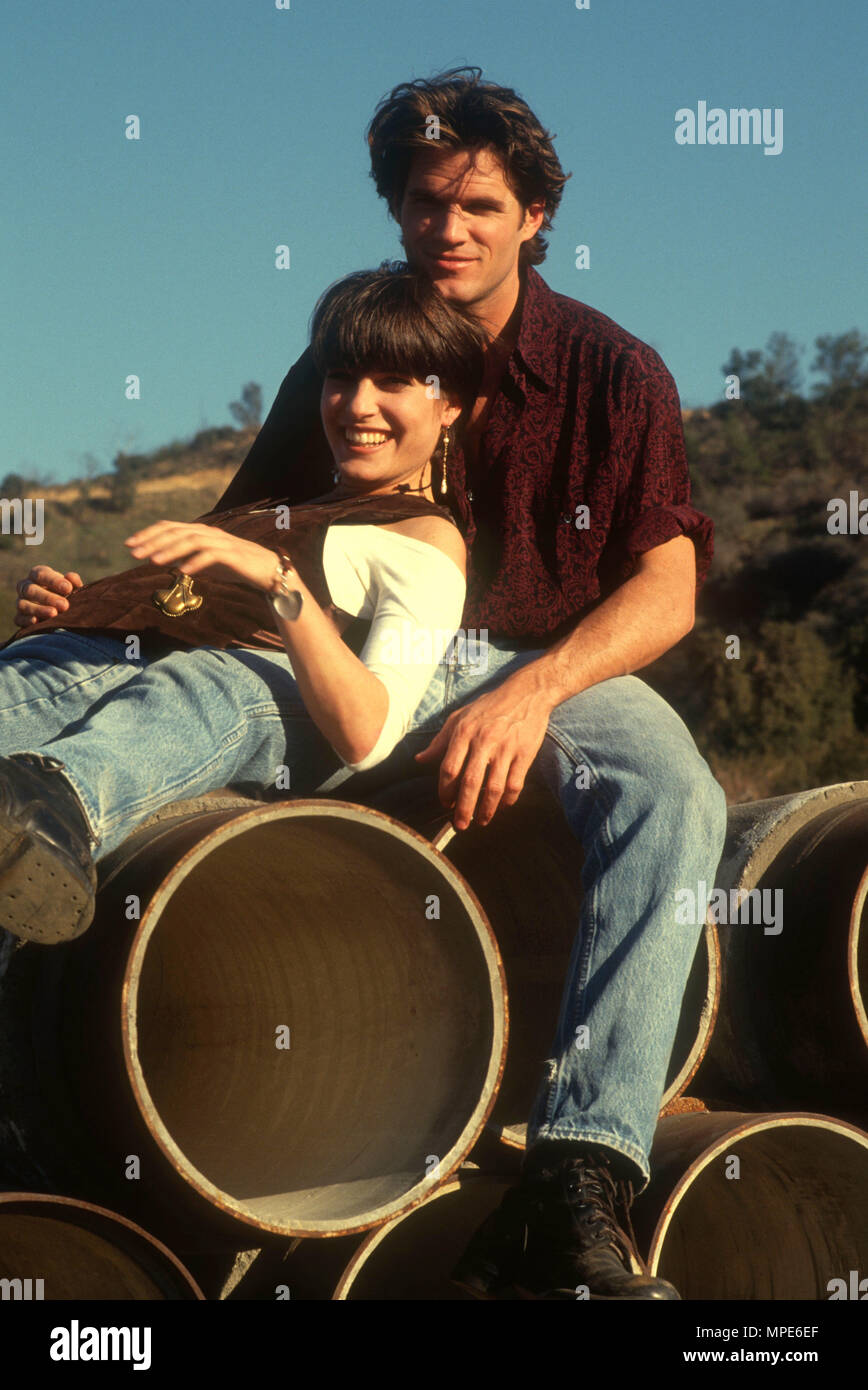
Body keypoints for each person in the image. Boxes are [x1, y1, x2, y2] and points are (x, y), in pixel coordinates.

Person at [11, 68, 729, 1302]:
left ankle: (580, 1181)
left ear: (535, 217)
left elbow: (666, 593)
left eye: (478, 208)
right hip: (355, 649)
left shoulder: (617, 372)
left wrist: (529, 695)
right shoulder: (352, 358)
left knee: (674, 790)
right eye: (420, 204)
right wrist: (115, 609)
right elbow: (249, 539)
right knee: (69, 672)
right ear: (394, 210)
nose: (446, 230)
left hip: (532, 656)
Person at [0, 264, 486, 944]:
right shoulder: (283, 507)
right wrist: (76, 603)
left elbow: (367, 733)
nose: (357, 406)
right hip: (68, 661)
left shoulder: (423, 538)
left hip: (164, 689)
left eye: (394, 383)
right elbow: (171, 609)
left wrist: (280, 582)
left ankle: (51, 806)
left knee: (211, 682)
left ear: (450, 403)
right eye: (342, 379)